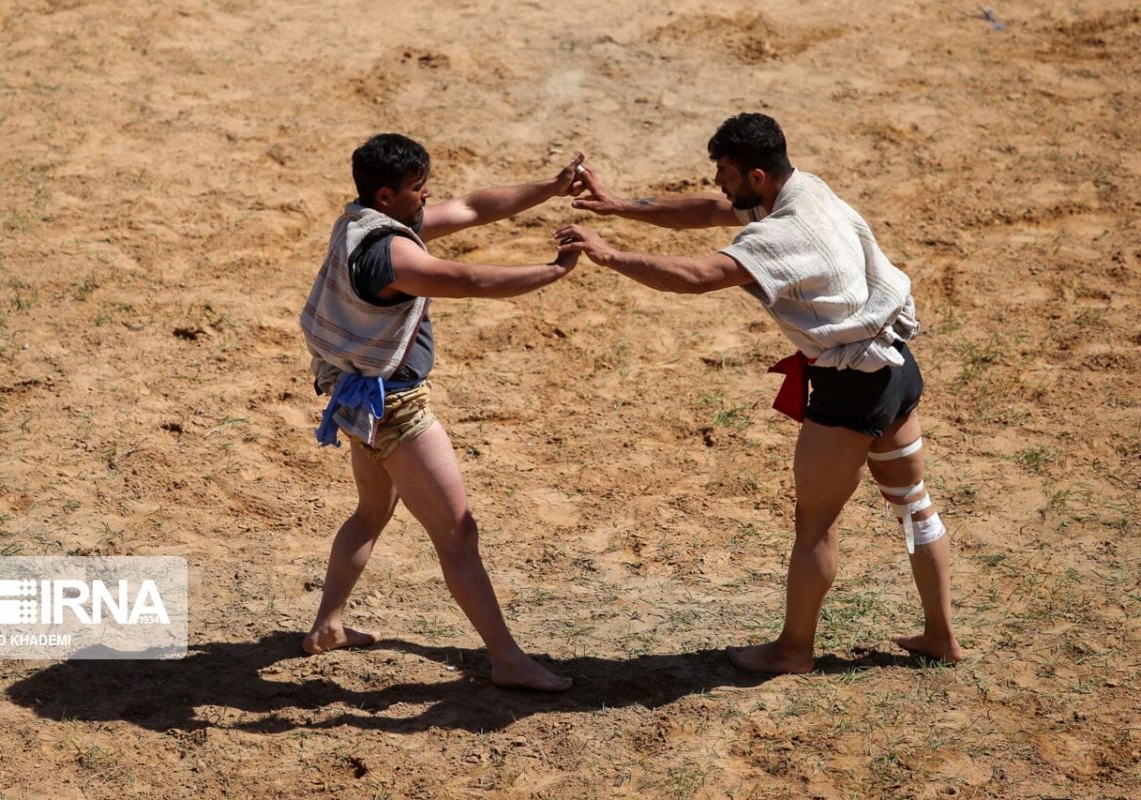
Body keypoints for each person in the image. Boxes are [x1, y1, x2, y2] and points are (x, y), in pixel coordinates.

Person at [554, 113, 961, 674]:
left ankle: (794, 650)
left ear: (759, 175)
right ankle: (941, 636)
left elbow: (699, 277)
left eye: (726, 171)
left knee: (815, 525)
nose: (720, 182)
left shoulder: (781, 235)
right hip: (895, 367)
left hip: (850, 391)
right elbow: (712, 210)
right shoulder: (806, 189)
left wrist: (609, 255)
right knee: (914, 506)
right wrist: (621, 205)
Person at [300, 133, 585, 691]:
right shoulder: (392, 255)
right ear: (388, 195)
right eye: (417, 188)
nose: (428, 195)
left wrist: (550, 188)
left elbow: (477, 207)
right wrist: (554, 271)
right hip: (397, 410)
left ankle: (327, 625)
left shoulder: (361, 222)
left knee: (371, 513)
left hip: (359, 404)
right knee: (458, 535)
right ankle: (507, 660)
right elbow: (471, 281)